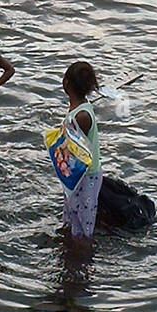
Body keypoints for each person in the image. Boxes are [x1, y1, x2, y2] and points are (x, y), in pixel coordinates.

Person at [60, 61, 104, 243]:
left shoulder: (82, 116)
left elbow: (77, 148)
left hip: (86, 175)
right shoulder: (78, 109)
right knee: (72, 211)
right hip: (76, 173)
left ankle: (83, 249)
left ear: (67, 84)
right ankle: (71, 243)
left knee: (84, 217)